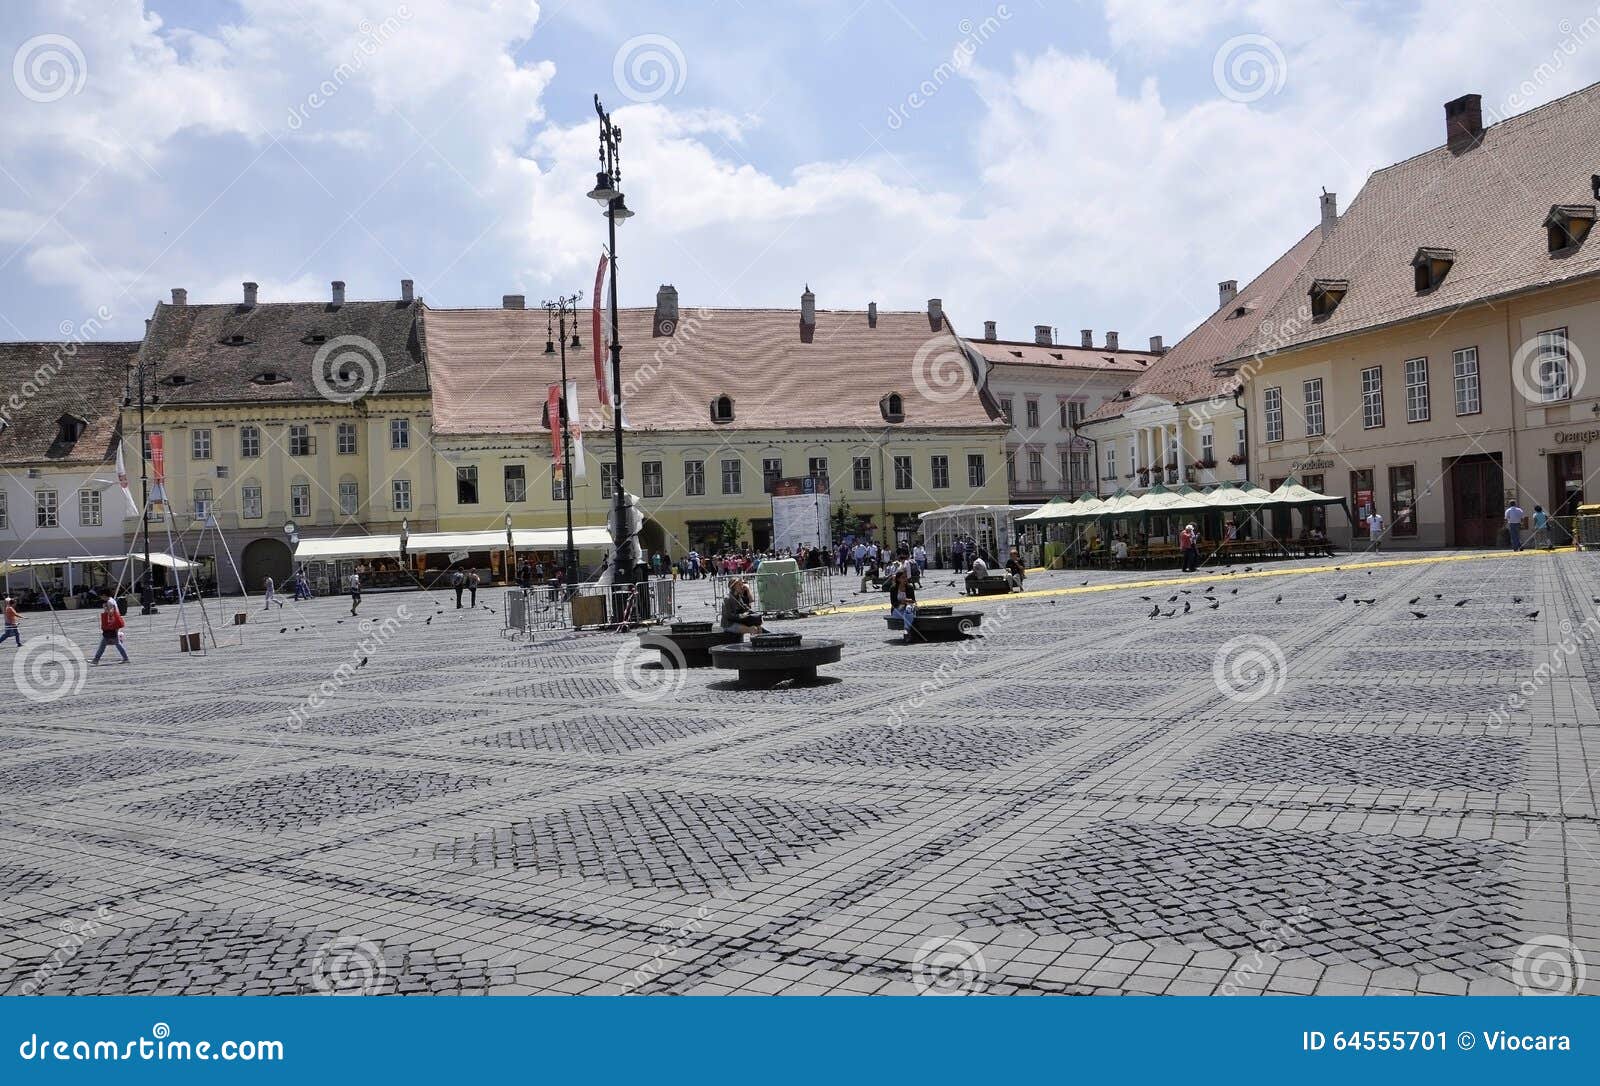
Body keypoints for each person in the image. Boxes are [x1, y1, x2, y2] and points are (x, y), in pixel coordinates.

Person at [91, 598, 127, 664]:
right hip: (110, 630)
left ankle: (96, 660)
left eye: (104, 606)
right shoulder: (110, 609)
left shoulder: (110, 611)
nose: (103, 608)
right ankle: (96, 659)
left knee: (109, 644)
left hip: (111, 630)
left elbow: (111, 621)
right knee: (114, 644)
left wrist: (106, 611)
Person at [888, 567, 918, 643]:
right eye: (903, 577)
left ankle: (906, 631)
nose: (905, 579)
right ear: (898, 579)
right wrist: (903, 601)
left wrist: (908, 602)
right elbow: (893, 603)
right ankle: (907, 631)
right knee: (907, 614)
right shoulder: (893, 588)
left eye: (906, 577)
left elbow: (913, 600)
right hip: (897, 610)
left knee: (908, 610)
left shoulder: (910, 587)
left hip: (908, 608)